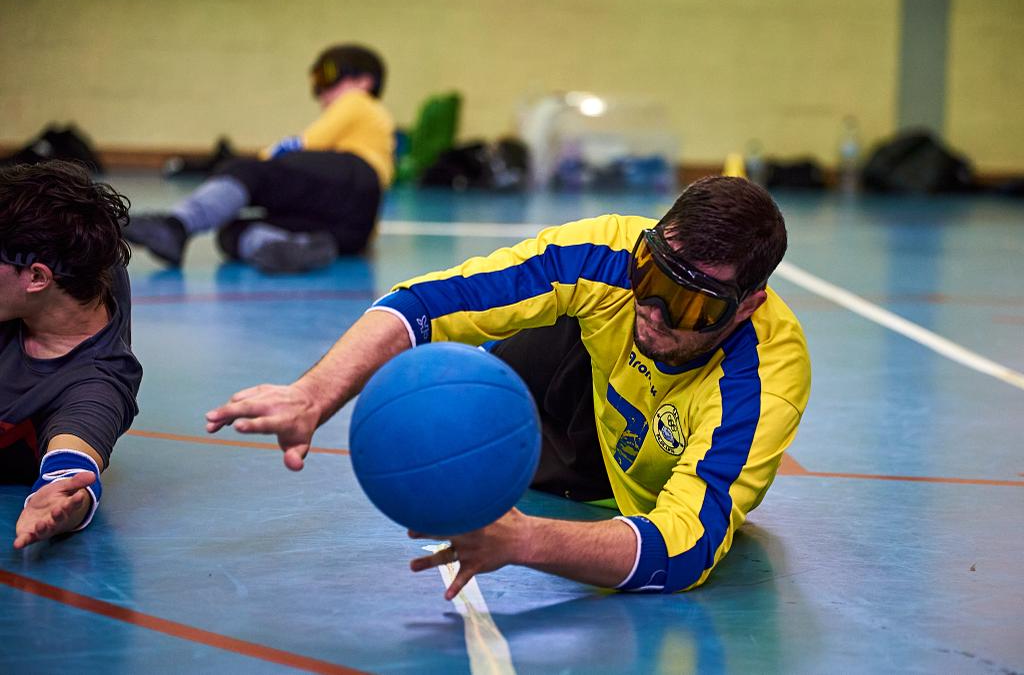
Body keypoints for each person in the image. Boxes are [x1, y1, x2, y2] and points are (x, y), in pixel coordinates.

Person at [206, 175, 811, 598]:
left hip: (617, 479)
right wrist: (314, 393)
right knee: (492, 357)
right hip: (586, 380)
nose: (653, 310)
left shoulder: (764, 380)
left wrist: (526, 540)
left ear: (745, 306)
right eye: (650, 278)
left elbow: (689, 545)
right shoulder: (607, 254)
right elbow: (433, 301)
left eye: (689, 305)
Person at [126, 44, 394, 274]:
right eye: (317, 82)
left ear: (364, 81)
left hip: (355, 177)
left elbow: (296, 147)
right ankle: (283, 247)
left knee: (249, 171)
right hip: (352, 229)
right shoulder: (374, 125)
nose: (321, 91)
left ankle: (176, 225)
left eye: (330, 77)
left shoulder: (358, 101)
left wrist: (246, 170)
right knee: (232, 232)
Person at [1, 161, 142, 549]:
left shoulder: (96, 382)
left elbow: (72, 465)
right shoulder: (84, 254)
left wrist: (63, 499)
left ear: (37, 278)